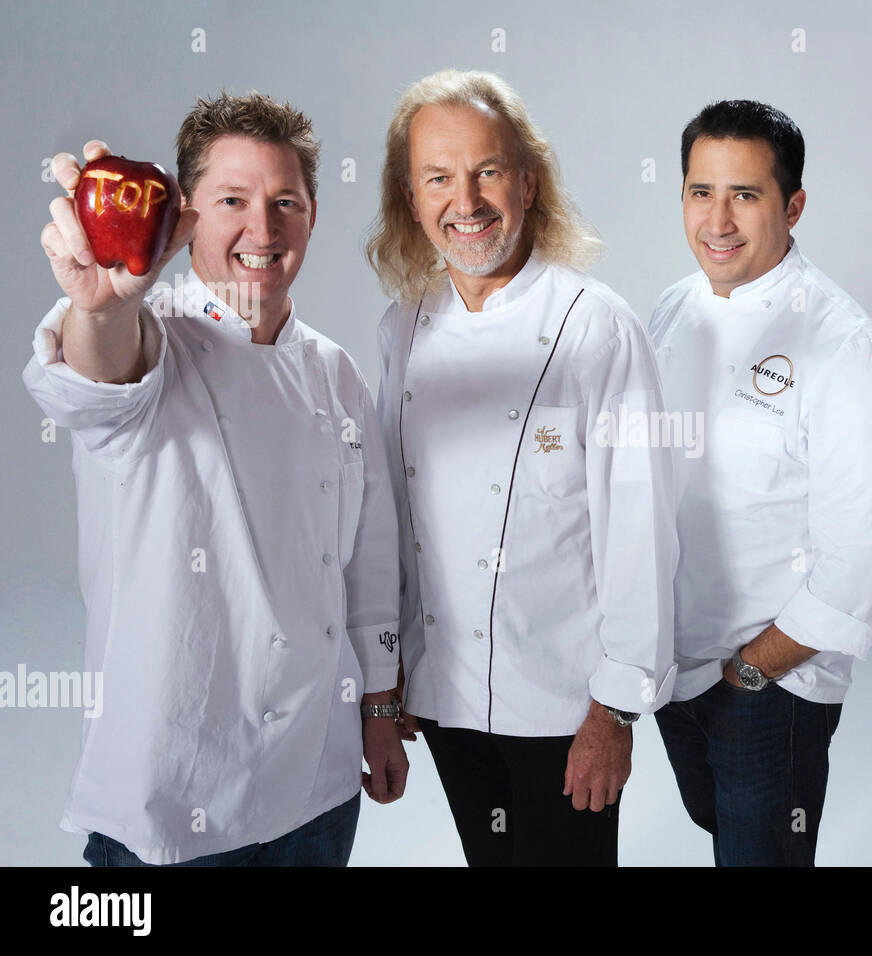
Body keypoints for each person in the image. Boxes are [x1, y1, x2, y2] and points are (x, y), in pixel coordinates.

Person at [24, 92, 408, 866]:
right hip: (175, 796)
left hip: (317, 784)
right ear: (185, 217)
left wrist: (378, 706)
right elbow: (97, 380)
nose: (261, 230)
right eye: (232, 200)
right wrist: (98, 309)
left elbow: (367, 558)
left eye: (285, 202)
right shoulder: (151, 340)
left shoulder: (333, 371)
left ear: (312, 213)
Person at [367, 69, 677, 867]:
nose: (464, 201)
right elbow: (396, 516)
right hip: (444, 699)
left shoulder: (597, 328)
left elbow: (639, 534)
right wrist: (387, 670)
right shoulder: (403, 329)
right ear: (410, 196)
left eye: (488, 172)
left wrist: (616, 710)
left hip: (565, 708)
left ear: (529, 182)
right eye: (439, 177)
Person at [648, 100, 872, 866]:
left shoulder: (845, 348)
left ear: (793, 205)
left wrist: (748, 672)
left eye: (746, 195)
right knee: (725, 840)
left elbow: (861, 561)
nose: (718, 220)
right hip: (680, 676)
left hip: (772, 686)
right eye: (701, 192)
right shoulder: (673, 308)